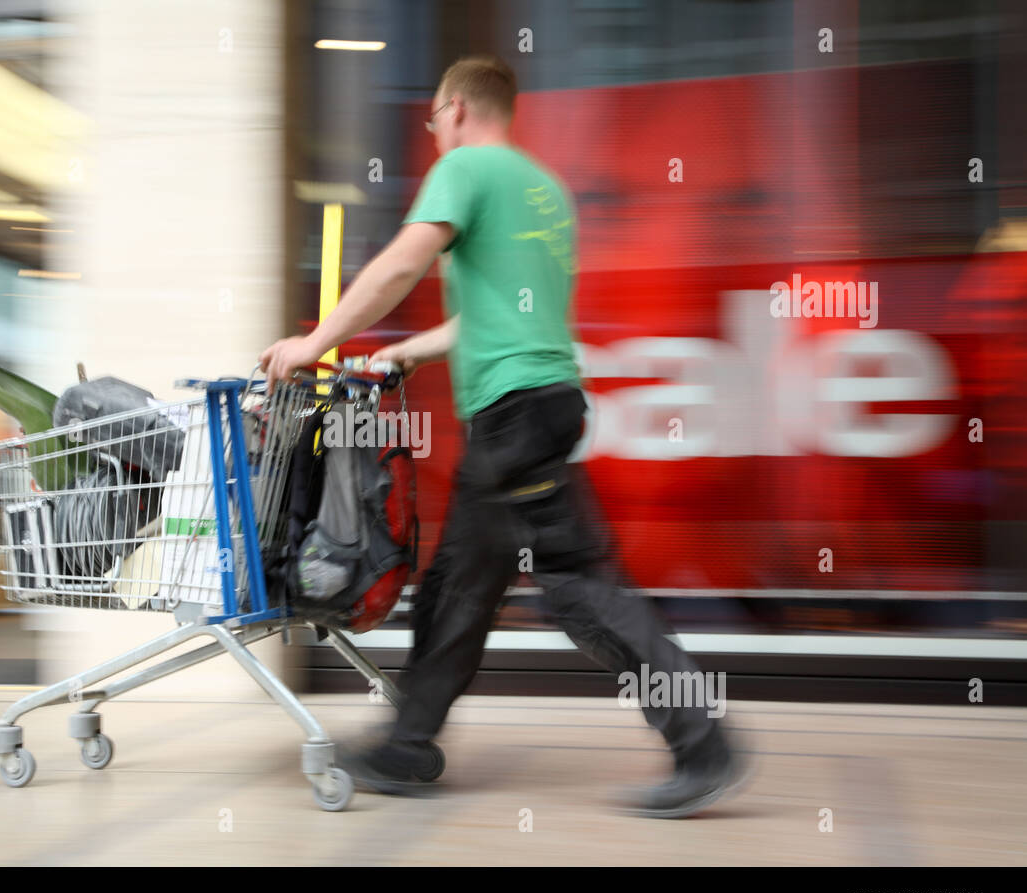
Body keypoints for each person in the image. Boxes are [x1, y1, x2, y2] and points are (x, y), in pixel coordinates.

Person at [260, 54, 748, 818]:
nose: (432, 135)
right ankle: (408, 744)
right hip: (538, 403)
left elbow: (400, 266)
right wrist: (404, 352)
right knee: (459, 583)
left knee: (581, 588)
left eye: (432, 122)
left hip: (514, 414)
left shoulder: (466, 169)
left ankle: (702, 742)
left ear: (454, 108)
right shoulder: (544, 189)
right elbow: (500, 313)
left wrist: (313, 342)